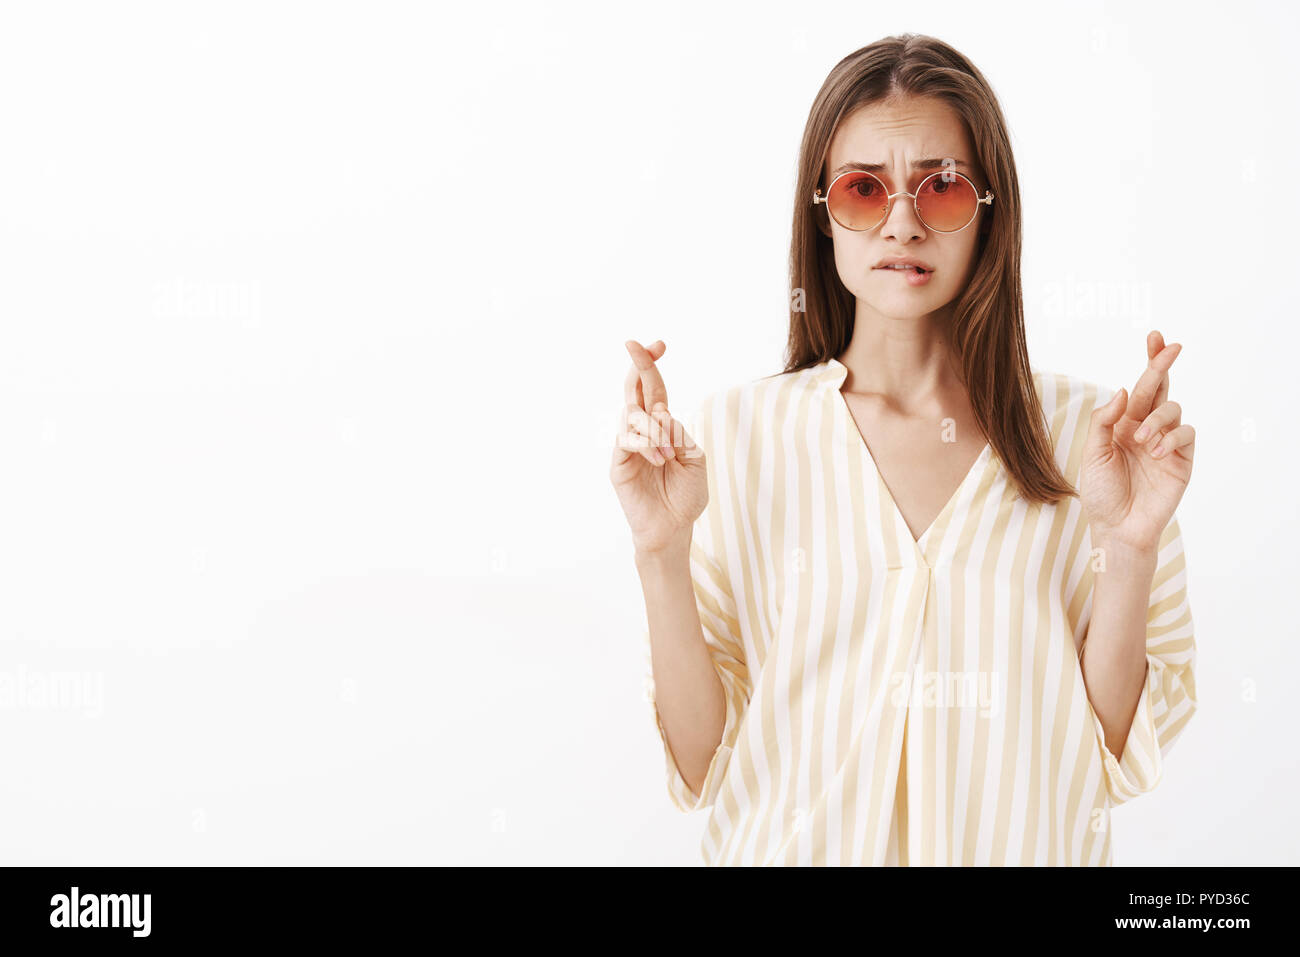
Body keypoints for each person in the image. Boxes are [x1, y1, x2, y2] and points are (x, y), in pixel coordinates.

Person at [609, 34, 1196, 866]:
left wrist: (1129, 545)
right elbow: (704, 763)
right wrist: (660, 551)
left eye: (942, 188)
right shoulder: (742, 435)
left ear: (990, 206)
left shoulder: (1093, 441)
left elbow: (1114, 749)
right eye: (863, 188)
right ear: (824, 210)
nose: (902, 221)